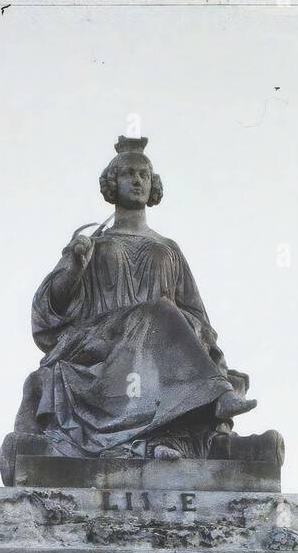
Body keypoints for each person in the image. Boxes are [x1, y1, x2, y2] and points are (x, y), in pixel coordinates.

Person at [13, 135, 256, 460]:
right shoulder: (94, 244)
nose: (137, 180)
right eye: (129, 174)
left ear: (153, 183)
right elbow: (48, 312)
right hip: (102, 342)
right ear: (113, 183)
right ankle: (218, 395)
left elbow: (197, 316)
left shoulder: (168, 249)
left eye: (144, 174)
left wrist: (198, 339)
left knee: (163, 314)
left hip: (158, 357)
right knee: (159, 312)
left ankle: (158, 442)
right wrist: (74, 267)